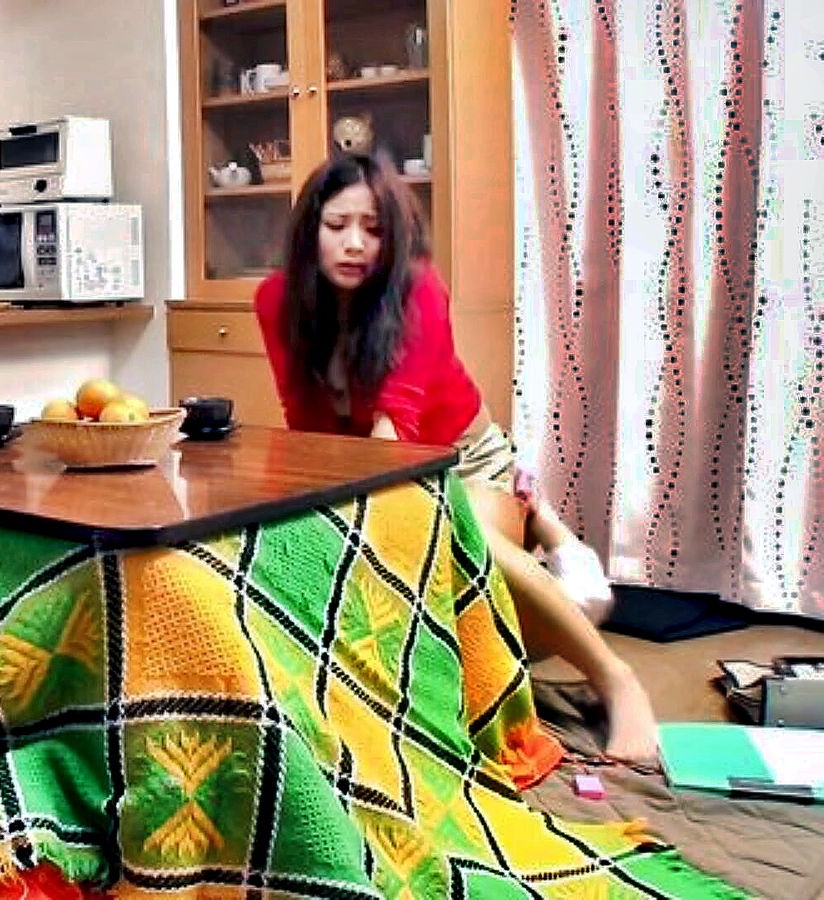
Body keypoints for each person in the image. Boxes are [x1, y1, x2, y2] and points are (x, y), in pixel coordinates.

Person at [253, 153, 657, 765]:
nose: (355, 243)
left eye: (374, 229)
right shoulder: (276, 299)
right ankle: (545, 527)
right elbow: (301, 420)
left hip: (459, 459)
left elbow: (400, 427)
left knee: (465, 546)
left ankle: (614, 678)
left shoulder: (417, 287)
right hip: (367, 465)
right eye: (337, 226)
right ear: (310, 229)